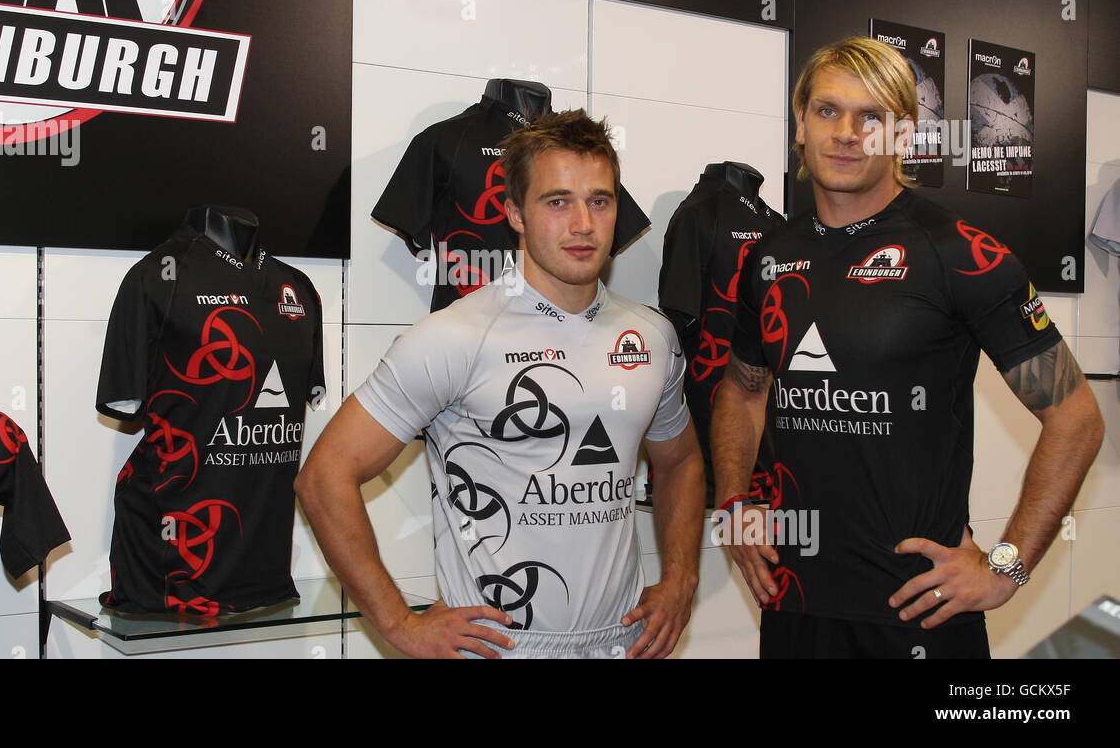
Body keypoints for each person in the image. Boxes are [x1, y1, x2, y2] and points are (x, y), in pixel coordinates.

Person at [711, 37, 1105, 658]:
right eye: (827, 110)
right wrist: (735, 502)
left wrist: (1007, 566)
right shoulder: (769, 257)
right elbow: (742, 388)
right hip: (793, 605)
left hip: (917, 615)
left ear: (904, 135)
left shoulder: (961, 254)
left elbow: (1077, 418)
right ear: (800, 122)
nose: (846, 133)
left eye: (872, 117)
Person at [297, 109, 705, 658]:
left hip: (621, 644)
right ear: (515, 212)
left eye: (600, 201)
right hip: (500, 647)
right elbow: (324, 478)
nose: (583, 223)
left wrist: (681, 582)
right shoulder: (454, 336)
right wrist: (398, 624)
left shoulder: (651, 336)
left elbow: (679, 461)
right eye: (557, 201)